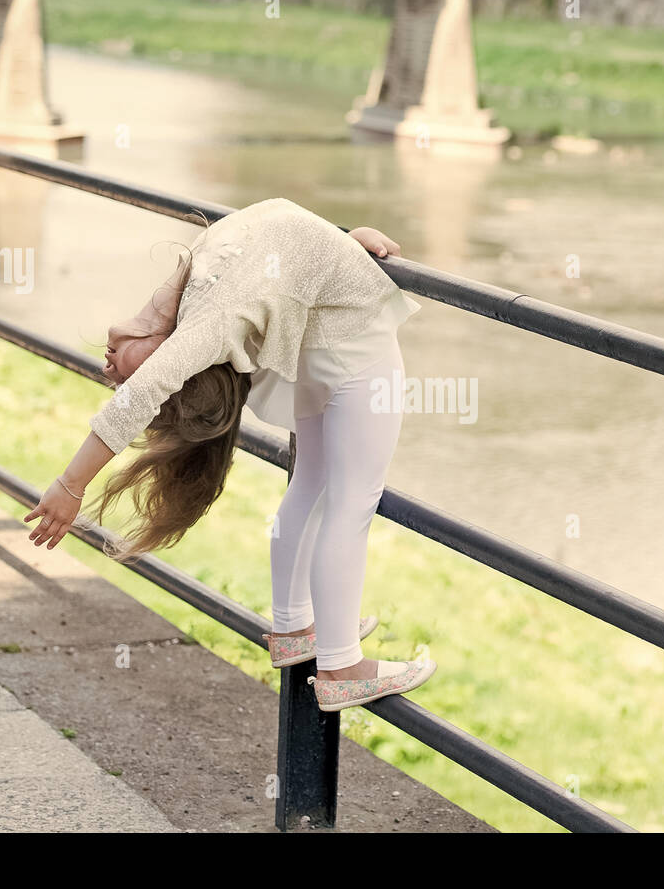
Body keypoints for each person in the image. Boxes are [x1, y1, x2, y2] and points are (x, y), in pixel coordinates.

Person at [23, 198, 435, 711]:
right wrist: (70, 485)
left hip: (315, 337)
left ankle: (294, 628)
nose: (110, 367)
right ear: (171, 360)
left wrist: (345, 244)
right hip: (355, 348)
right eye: (122, 371)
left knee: (312, 483)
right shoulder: (200, 328)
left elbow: (278, 248)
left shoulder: (192, 283)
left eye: (114, 370)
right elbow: (139, 394)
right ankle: (341, 664)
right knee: (352, 503)